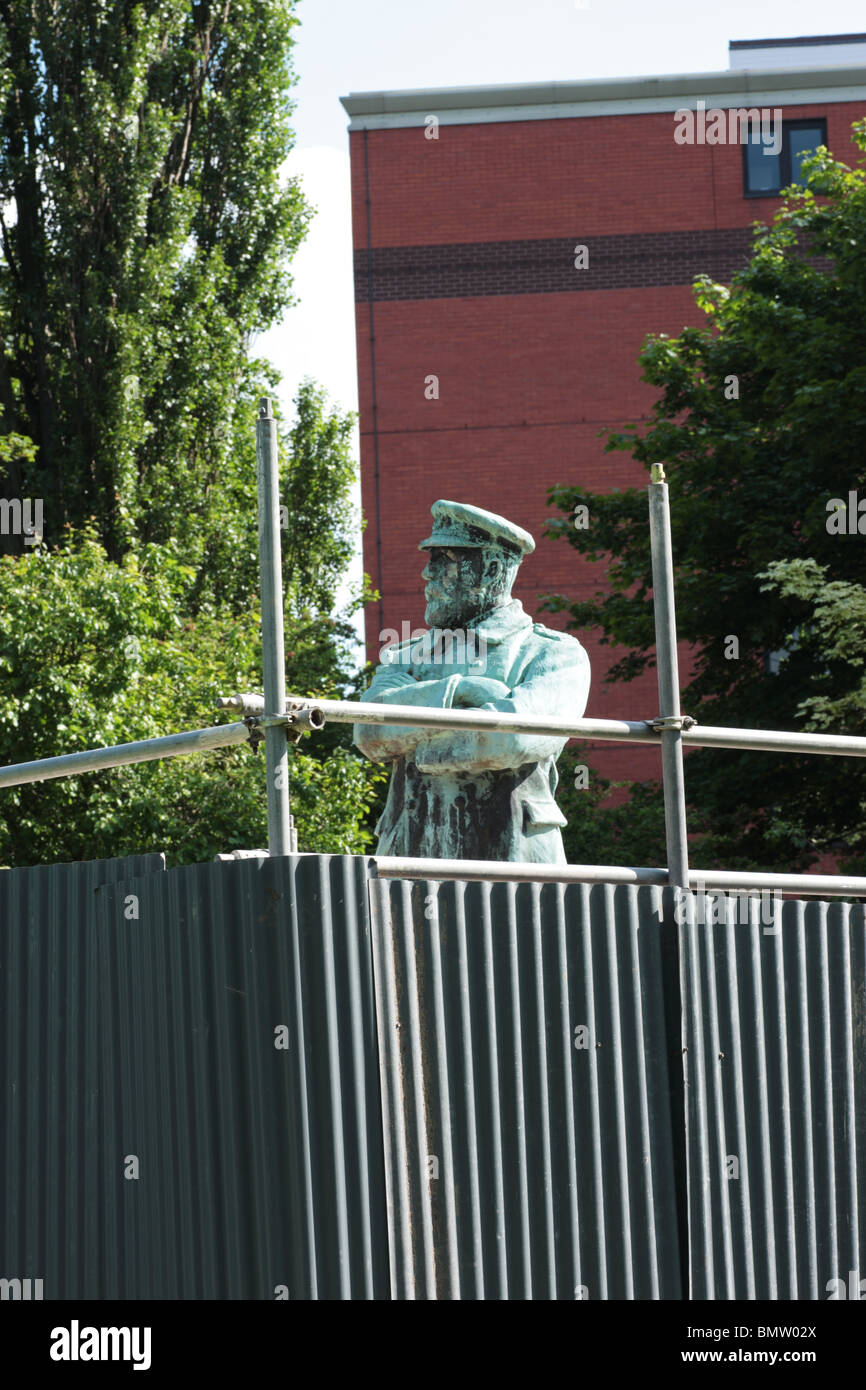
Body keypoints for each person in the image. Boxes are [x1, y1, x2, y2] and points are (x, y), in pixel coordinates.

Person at [353, 500, 591, 862]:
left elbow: (511, 740)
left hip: (515, 862)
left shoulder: (553, 653)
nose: (427, 573)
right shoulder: (404, 654)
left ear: (492, 569)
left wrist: (416, 742)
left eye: (444, 560)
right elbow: (369, 734)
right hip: (410, 859)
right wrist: (460, 692)